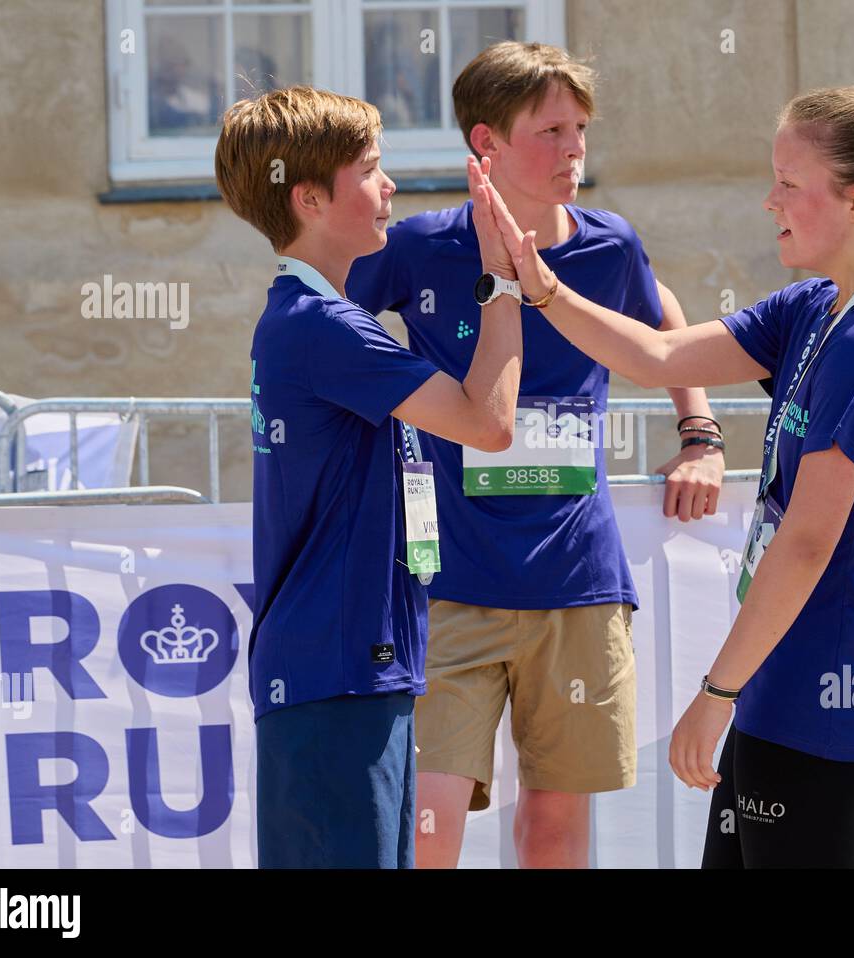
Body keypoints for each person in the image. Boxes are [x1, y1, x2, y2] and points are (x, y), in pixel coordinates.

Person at [473, 85, 854, 867]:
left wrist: (714, 696)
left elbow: (810, 542)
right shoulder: (817, 307)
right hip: (780, 687)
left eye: (789, 183)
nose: (768, 200)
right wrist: (537, 282)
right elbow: (658, 357)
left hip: (827, 698)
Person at [346, 42, 725, 869]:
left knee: (555, 834)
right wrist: (408, 407)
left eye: (580, 127)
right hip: (446, 584)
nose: (574, 148)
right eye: (550, 130)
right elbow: (335, 338)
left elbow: (664, 318)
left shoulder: (608, 244)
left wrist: (700, 435)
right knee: (429, 826)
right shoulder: (417, 247)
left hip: (575, 584)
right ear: (487, 143)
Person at [214, 85, 524, 867]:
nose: (391, 187)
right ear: (312, 198)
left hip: (346, 669)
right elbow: (489, 422)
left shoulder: (315, 319)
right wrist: (505, 277)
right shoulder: (323, 328)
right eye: (372, 169)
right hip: (340, 673)